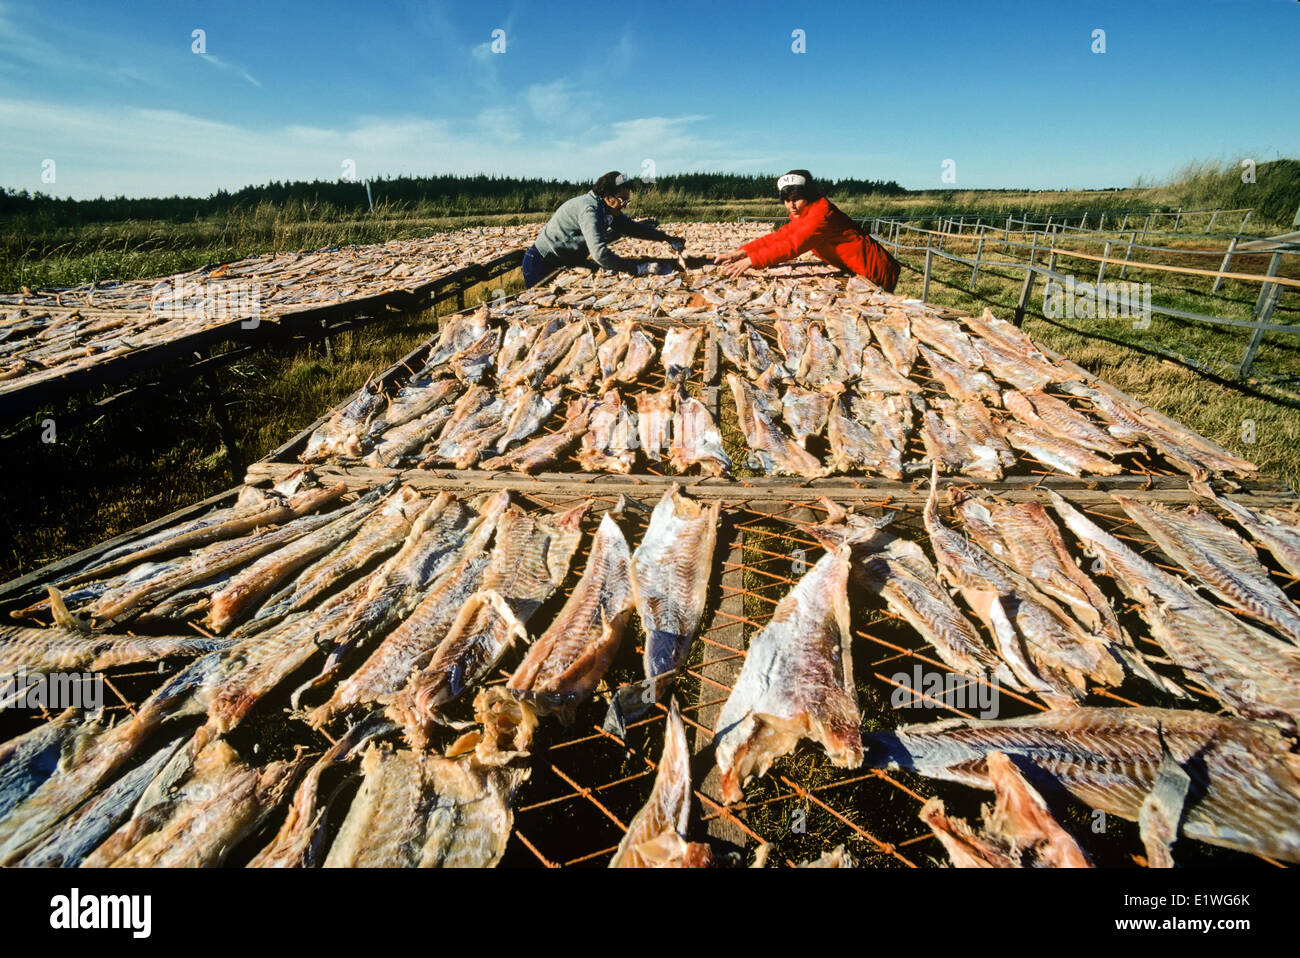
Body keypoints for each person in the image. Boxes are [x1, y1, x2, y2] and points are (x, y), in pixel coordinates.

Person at [713, 170, 900, 291]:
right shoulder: (804, 212)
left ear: (809, 195)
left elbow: (793, 245)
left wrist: (751, 261)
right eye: (786, 201)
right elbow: (783, 235)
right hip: (855, 268)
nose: (791, 206)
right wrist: (741, 252)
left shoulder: (821, 215)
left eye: (796, 199)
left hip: (875, 270)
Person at [521, 171, 686, 288]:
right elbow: (599, 253)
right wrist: (635, 269)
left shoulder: (608, 209)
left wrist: (666, 238)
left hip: (565, 260)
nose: (624, 204)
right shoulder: (590, 210)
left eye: (627, 201)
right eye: (622, 199)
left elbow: (633, 228)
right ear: (607, 196)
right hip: (541, 262)